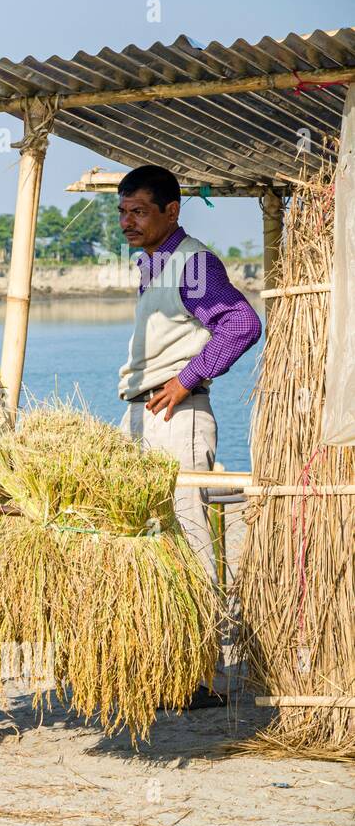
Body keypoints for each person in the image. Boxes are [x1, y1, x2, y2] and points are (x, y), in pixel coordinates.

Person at [115, 164, 263, 700]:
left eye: (139, 211)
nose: (127, 222)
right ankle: (174, 665)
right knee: (153, 537)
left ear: (171, 211)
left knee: (190, 538)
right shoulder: (154, 263)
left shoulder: (191, 263)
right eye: (122, 212)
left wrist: (186, 379)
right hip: (149, 413)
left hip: (178, 415)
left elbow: (242, 323)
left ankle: (205, 675)